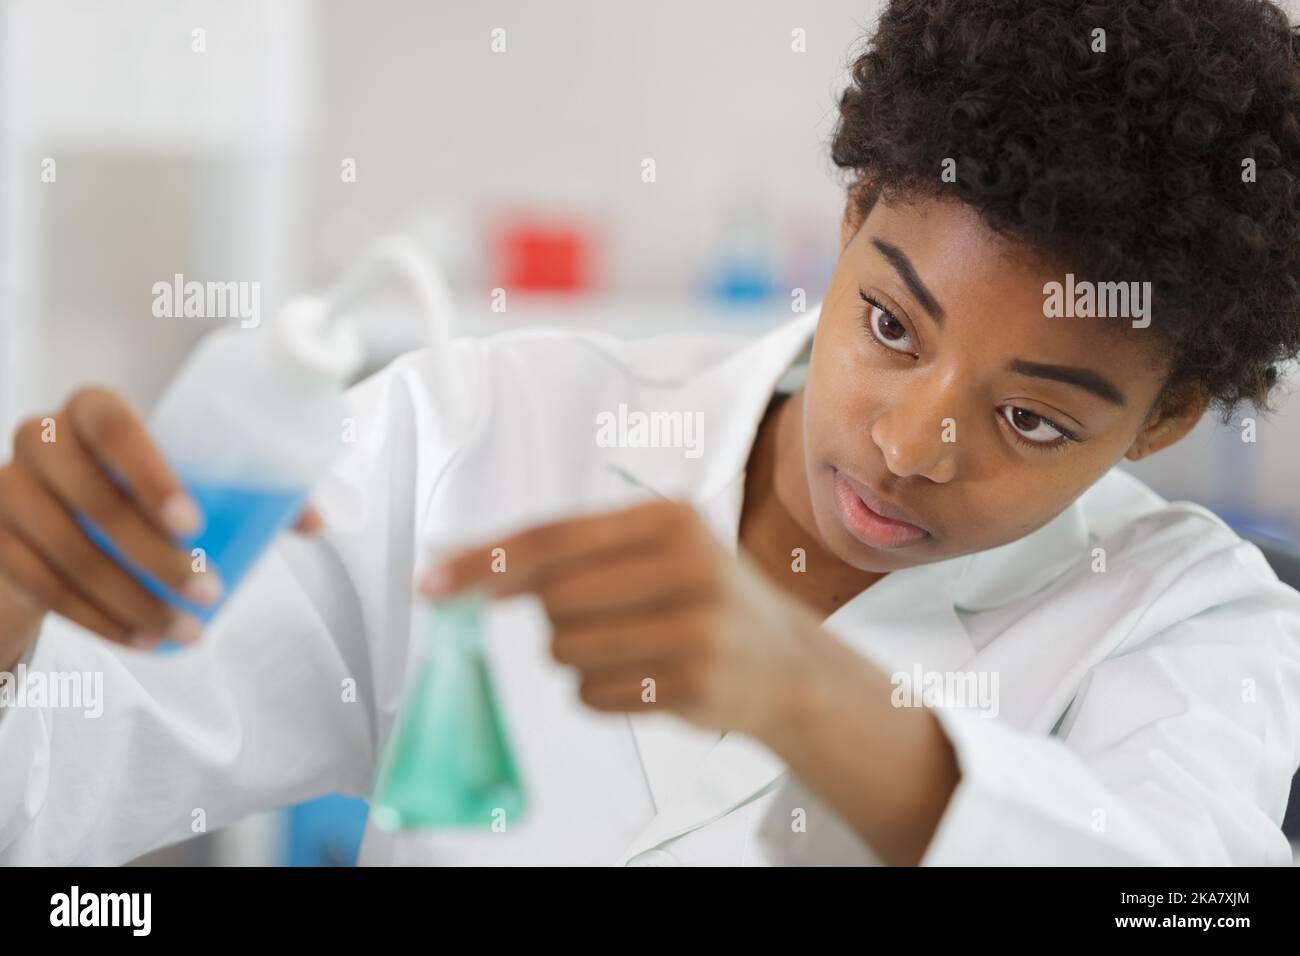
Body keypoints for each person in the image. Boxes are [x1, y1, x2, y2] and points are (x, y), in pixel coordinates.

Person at [2, 0, 1300, 865]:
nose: (911, 443)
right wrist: (15, 609)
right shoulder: (484, 433)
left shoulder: (1192, 621)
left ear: (1165, 416)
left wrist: (802, 691)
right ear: (850, 226)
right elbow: (51, 792)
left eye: (1026, 416)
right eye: (893, 328)